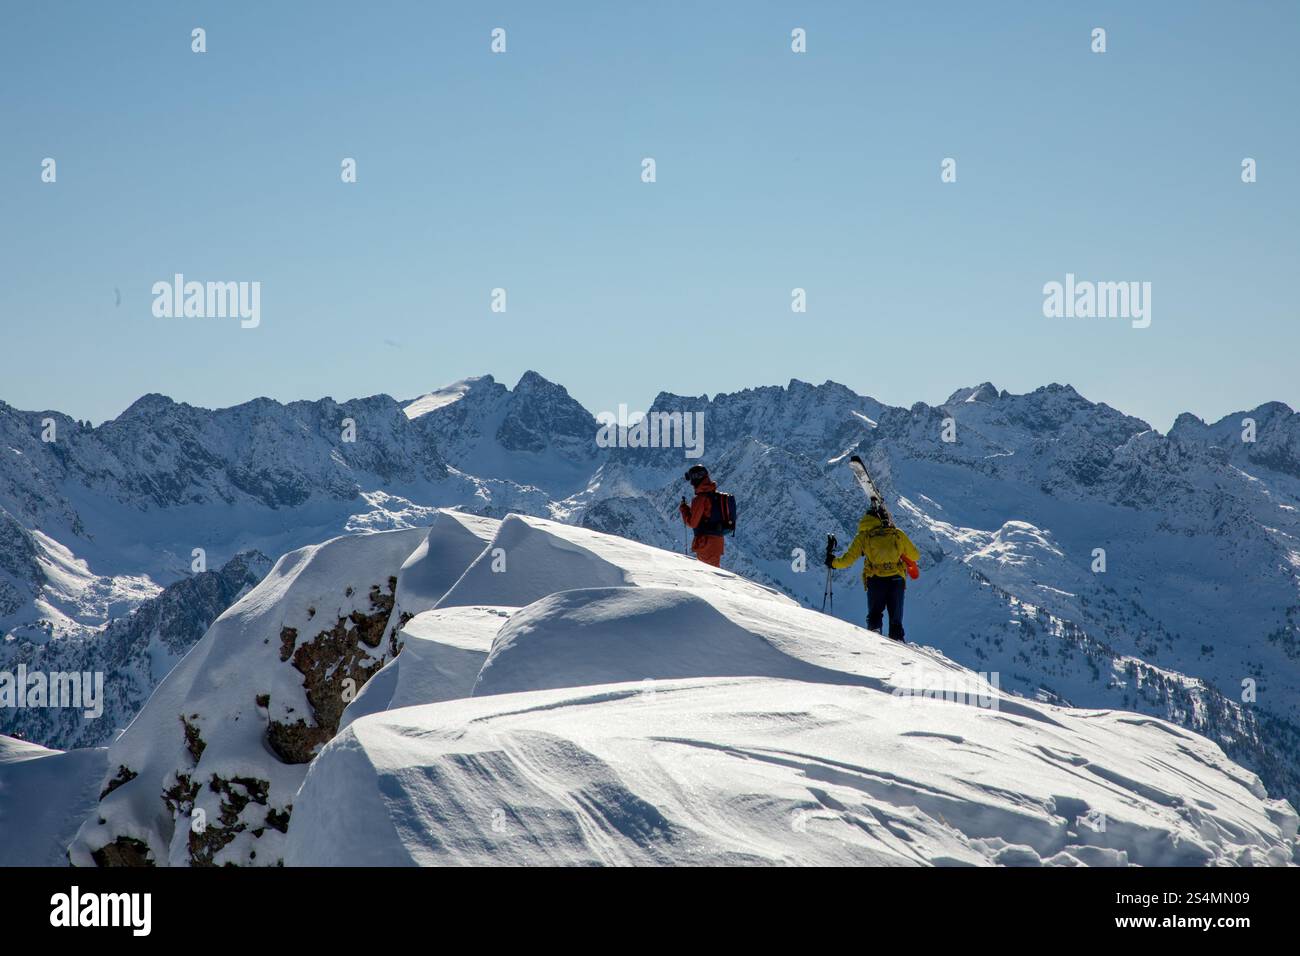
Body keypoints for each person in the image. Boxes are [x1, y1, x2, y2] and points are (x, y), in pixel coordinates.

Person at [827, 502, 919, 642]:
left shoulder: (863, 536)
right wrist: (901, 554)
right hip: (897, 580)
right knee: (896, 619)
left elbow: (847, 560)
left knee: (875, 615)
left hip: (876, 580)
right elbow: (915, 556)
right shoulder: (897, 534)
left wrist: (833, 562)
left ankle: (874, 641)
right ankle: (898, 643)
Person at [679, 464, 725, 567]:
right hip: (717, 541)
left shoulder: (700, 499)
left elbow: (692, 523)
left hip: (706, 543)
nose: (691, 483)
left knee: (708, 576)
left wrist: (684, 509)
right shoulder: (715, 495)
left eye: (691, 480)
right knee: (713, 574)